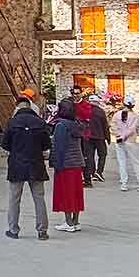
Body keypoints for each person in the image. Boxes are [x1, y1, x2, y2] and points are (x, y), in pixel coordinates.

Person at [0, 94, 51, 241]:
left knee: (14, 198)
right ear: (30, 106)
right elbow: (47, 144)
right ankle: (42, 230)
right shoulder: (40, 122)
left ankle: (13, 229)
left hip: (17, 164)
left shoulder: (12, 122)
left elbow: (5, 144)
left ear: (17, 107)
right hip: (36, 164)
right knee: (39, 198)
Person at [50, 98, 86, 232]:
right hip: (77, 162)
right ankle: (76, 221)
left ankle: (68, 222)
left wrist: (55, 164)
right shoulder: (76, 124)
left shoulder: (61, 126)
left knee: (66, 193)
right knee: (76, 193)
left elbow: (59, 147)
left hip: (65, 163)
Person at [112, 96, 139, 193]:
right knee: (137, 162)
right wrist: (123, 136)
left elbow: (113, 126)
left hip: (119, 141)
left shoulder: (117, 115)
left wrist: (119, 135)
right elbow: (131, 130)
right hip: (130, 141)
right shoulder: (134, 116)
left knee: (122, 162)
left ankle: (124, 183)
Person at [84, 94, 110, 184]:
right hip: (99, 137)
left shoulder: (85, 111)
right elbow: (105, 126)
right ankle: (99, 172)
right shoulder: (101, 112)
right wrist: (108, 137)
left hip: (88, 137)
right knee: (102, 154)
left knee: (90, 156)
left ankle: (92, 172)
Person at [74, 89, 95, 186]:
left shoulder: (86, 105)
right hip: (75, 134)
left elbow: (87, 115)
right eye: (74, 93)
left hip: (84, 135)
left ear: (81, 93)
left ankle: (87, 179)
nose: (75, 95)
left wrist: (76, 106)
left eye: (77, 93)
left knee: (85, 157)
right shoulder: (71, 103)